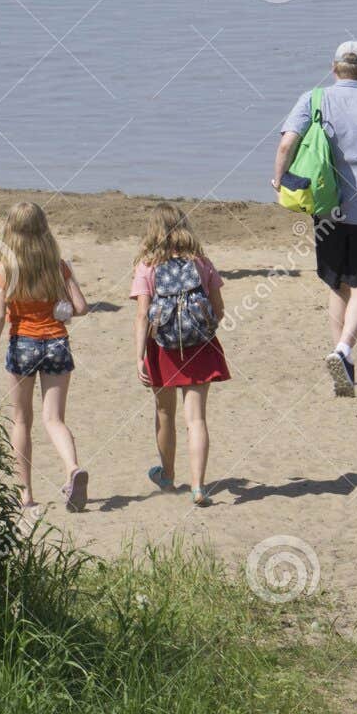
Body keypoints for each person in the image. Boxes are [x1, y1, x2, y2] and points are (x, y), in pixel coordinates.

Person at [272, 40, 357, 397]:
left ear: (334, 68)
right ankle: (343, 349)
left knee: (337, 284)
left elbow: (287, 144)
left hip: (327, 206)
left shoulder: (313, 98)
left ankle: (343, 361)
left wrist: (279, 180)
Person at [0, 203, 90, 512]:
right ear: (44, 228)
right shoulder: (57, 265)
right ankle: (72, 468)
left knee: (21, 420)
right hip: (56, 343)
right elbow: (81, 307)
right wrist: (61, 311)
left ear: (10, 229)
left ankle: (25, 494)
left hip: (23, 344)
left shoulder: (3, 268)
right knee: (54, 418)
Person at [130, 202, 230, 508]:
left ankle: (169, 476)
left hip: (161, 348)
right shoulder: (201, 262)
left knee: (164, 413)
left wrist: (139, 356)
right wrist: (198, 328)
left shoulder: (147, 266)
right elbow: (219, 310)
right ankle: (198, 487)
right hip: (199, 346)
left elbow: (142, 315)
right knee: (196, 419)